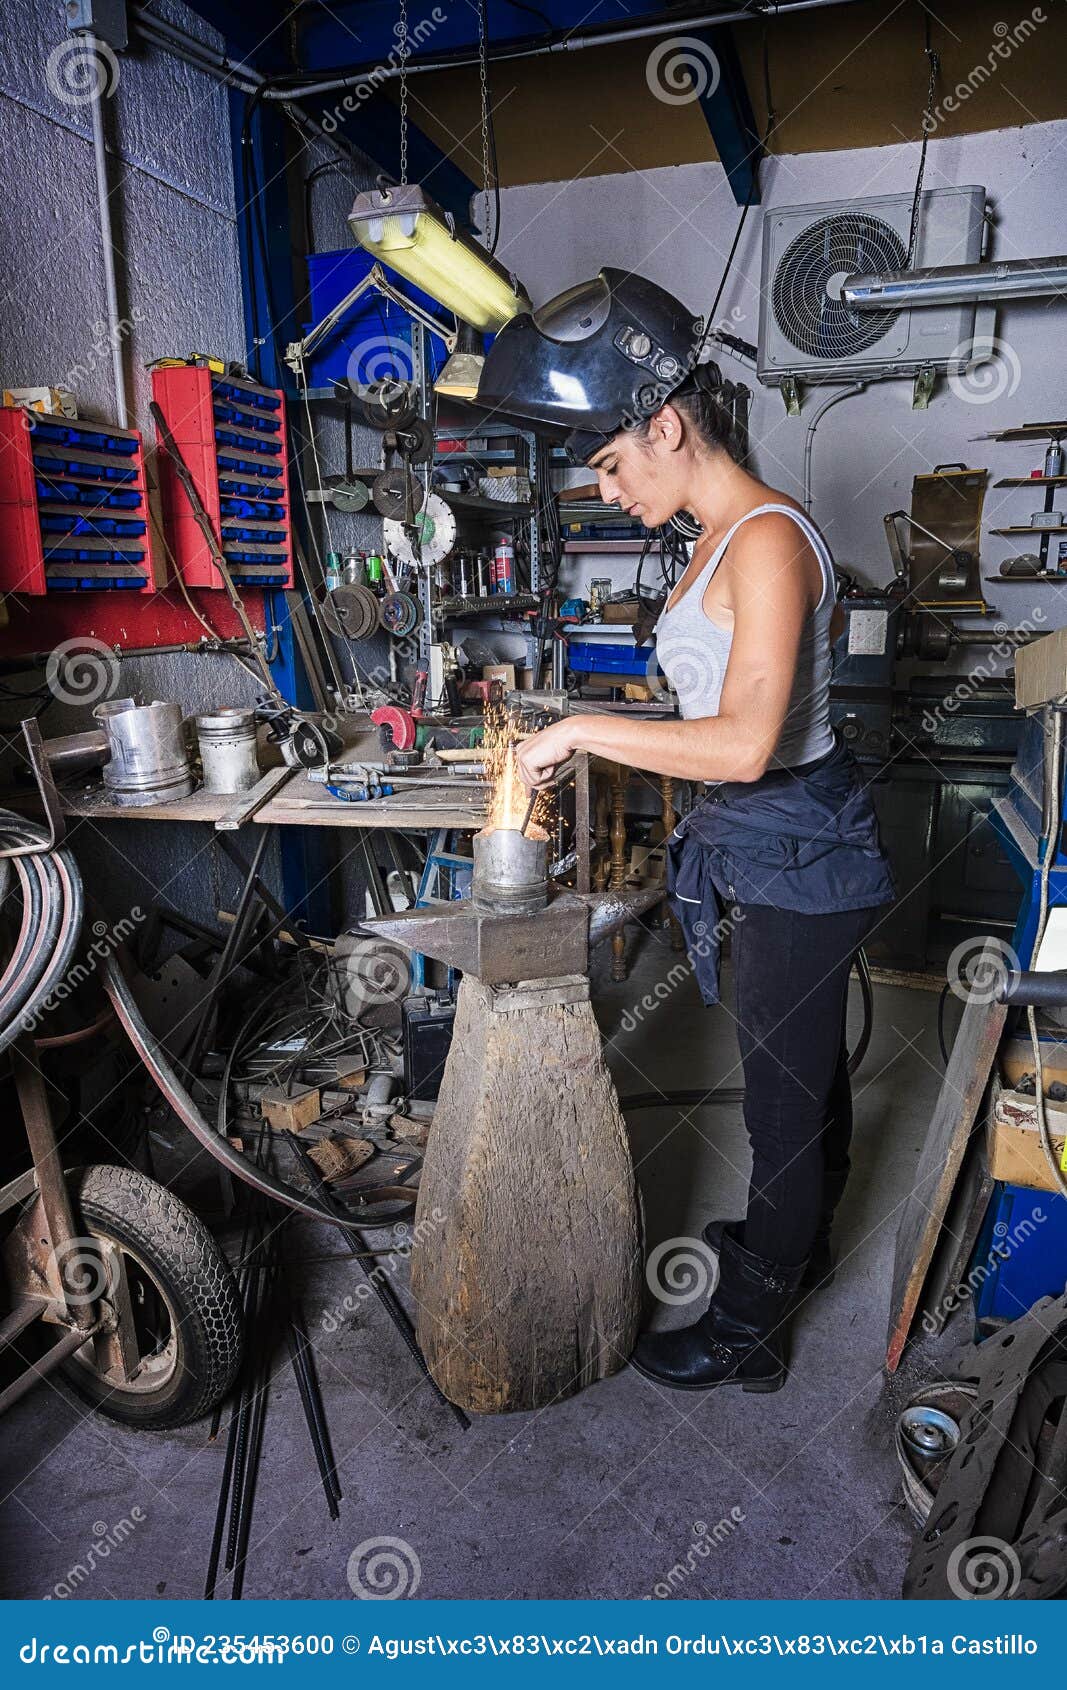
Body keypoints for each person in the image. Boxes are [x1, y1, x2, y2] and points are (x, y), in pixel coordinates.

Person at [476, 269, 895, 1393]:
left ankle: (752, 1333)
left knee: (778, 1107)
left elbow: (748, 742)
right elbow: (709, 715)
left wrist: (578, 728)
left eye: (611, 461)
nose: (605, 487)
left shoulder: (762, 541)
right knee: (802, 1085)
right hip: (763, 843)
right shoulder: (711, 540)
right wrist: (593, 728)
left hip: (797, 851)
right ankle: (793, 1248)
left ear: (664, 422)